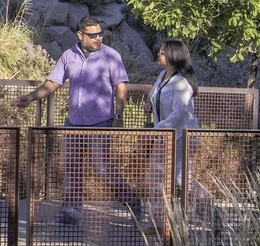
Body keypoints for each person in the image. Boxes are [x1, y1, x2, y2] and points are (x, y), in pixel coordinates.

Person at [16, 17, 142, 225]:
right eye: (92, 35)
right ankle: (71, 211)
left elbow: (121, 87)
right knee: (71, 166)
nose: (98, 38)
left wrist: (119, 117)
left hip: (101, 122)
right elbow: (52, 83)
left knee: (101, 166)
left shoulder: (111, 56)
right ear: (80, 35)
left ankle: (133, 201)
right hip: (73, 122)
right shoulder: (68, 56)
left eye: (100, 34)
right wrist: (30, 97)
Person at [146, 39, 199, 185]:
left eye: (162, 52)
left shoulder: (181, 82)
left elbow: (179, 111)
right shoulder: (162, 75)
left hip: (181, 135)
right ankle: (158, 208)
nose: (158, 54)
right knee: (155, 175)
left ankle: (205, 206)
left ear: (171, 56)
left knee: (181, 177)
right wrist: (150, 104)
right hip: (164, 135)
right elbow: (157, 95)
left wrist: (158, 129)